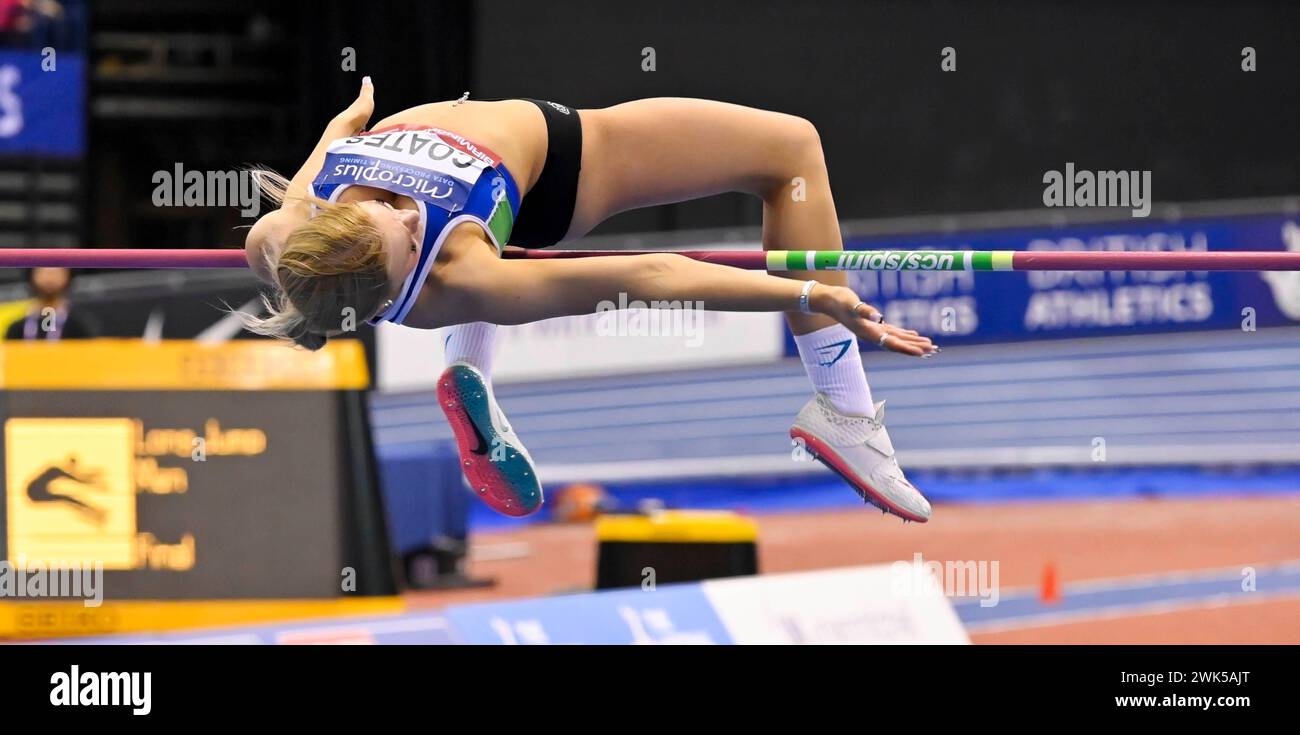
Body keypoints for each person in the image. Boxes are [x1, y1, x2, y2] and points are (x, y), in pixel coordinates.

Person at [242, 78, 938, 522]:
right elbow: (654, 276)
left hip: (490, 198)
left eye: (383, 209)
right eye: (404, 233)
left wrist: (348, 120)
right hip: (565, 166)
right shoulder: (459, 268)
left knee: (488, 273)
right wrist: (814, 292)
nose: (404, 213)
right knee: (792, 151)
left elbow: (329, 150)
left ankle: (471, 370)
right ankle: (844, 409)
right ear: (398, 283)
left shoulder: (287, 229)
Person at [4, 266, 98, 341]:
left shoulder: (79, 327)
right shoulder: (16, 329)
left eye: (56, 272)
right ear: (32, 276)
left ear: (68, 276)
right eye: (43, 272)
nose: (50, 277)